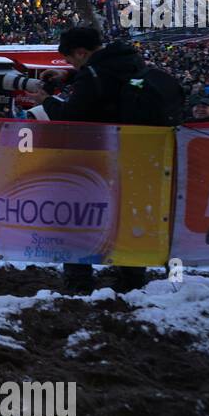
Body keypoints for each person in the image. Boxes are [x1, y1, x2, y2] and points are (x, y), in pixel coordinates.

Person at [25, 25, 150, 295]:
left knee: (77, 220)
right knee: (124, 217)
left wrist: (46, 100)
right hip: (133, 155)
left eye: (69, 60)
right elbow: (104, 83)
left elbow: (70, 115)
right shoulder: (128, 60)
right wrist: (69, 76)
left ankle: (78, 282)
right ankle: (132, 279)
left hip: (94, 158)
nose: (69, 64)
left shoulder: (94, 75)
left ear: (81, 52)